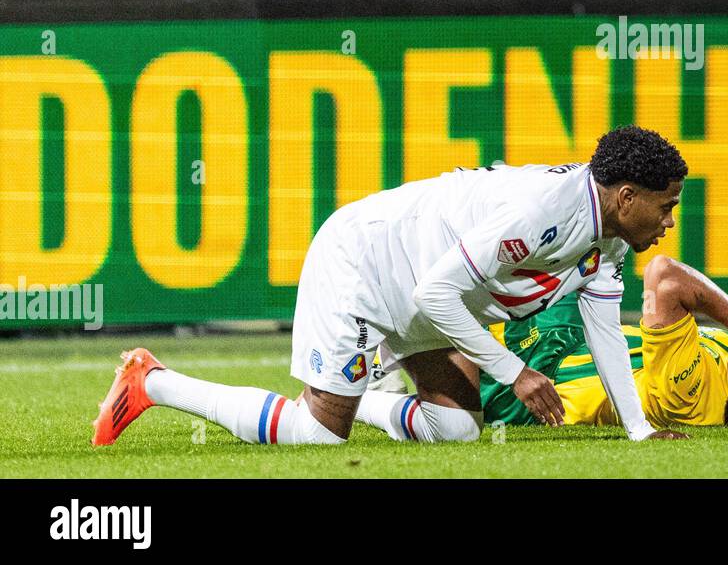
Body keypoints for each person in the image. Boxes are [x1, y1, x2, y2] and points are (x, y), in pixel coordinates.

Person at [91, 127, 692, 446]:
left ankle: (366, 388)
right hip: (366, 265)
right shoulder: (543, 214)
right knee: (317, 438)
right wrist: (515, 372)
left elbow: (605, 326)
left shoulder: (611, 233)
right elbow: (436, 294)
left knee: (456, 430)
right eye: (666, 208)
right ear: (626, 196)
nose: (668, 223)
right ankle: (153, 382)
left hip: (426, 290)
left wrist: (638, 427)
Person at [361, 246, 728, 433]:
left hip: (537, 388)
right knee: (578, 249)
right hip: (572, 337)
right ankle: (391, 350)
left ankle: (367, 390)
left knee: (446, 384)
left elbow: (664, 275)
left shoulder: (690, 393)